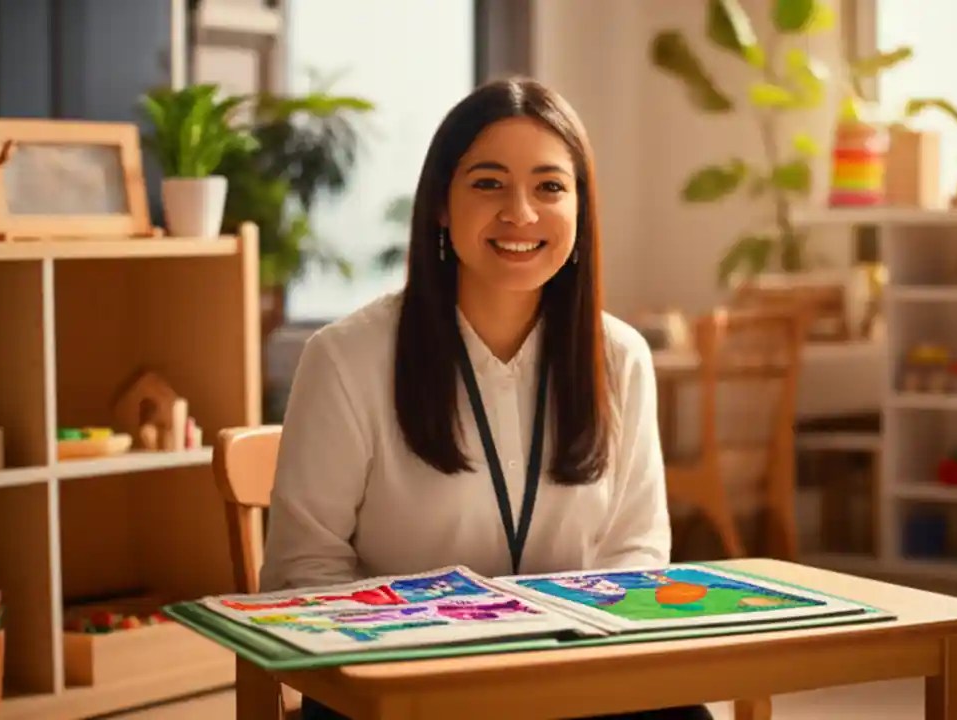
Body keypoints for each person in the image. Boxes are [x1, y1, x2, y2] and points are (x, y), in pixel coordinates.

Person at [259, 77, 712, 720]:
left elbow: (636, 555)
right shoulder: (346, 357)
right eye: (489, 183)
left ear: (581, 210)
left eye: (550, 186)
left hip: (570, 680)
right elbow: (304, 574)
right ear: (442, 204)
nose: (521, 213)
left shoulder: (621, 357)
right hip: (403, 688)